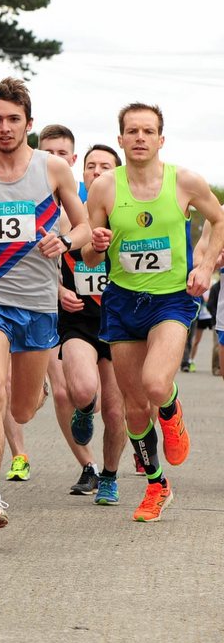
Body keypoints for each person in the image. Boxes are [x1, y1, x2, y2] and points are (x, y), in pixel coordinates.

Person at [0, 79, 89, 530]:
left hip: (39, 304)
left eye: (13, 119)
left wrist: (65, 240)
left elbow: (83, 228)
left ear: (29, 123)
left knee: (22, 408)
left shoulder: (52, 169)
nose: (5, 127)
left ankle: (32, 390)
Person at [82, 103, 224, 522]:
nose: (140, 138)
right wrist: (97, 245)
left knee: (156, 384)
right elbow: (90, 256)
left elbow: (219, 220)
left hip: (170, 299)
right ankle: (157, 486)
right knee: (134, 406)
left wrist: (204, 266)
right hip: (123, 301)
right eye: (132, 131)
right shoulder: (104, 188)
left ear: (161, 139)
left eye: (148, 131)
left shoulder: (185, 181)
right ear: (121, 138)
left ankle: (172, 411)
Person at [46, 143, 129, 504]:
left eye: (105, 166)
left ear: (117, 173)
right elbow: (43, 258)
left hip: (118, 321)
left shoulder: (127, 217)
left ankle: (108, 475)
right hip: (78, 318)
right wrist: (59, 289)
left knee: (114, 409)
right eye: (91, 166)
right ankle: (82, 411)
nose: (96, 171)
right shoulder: (69, 216)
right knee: (82, 392)